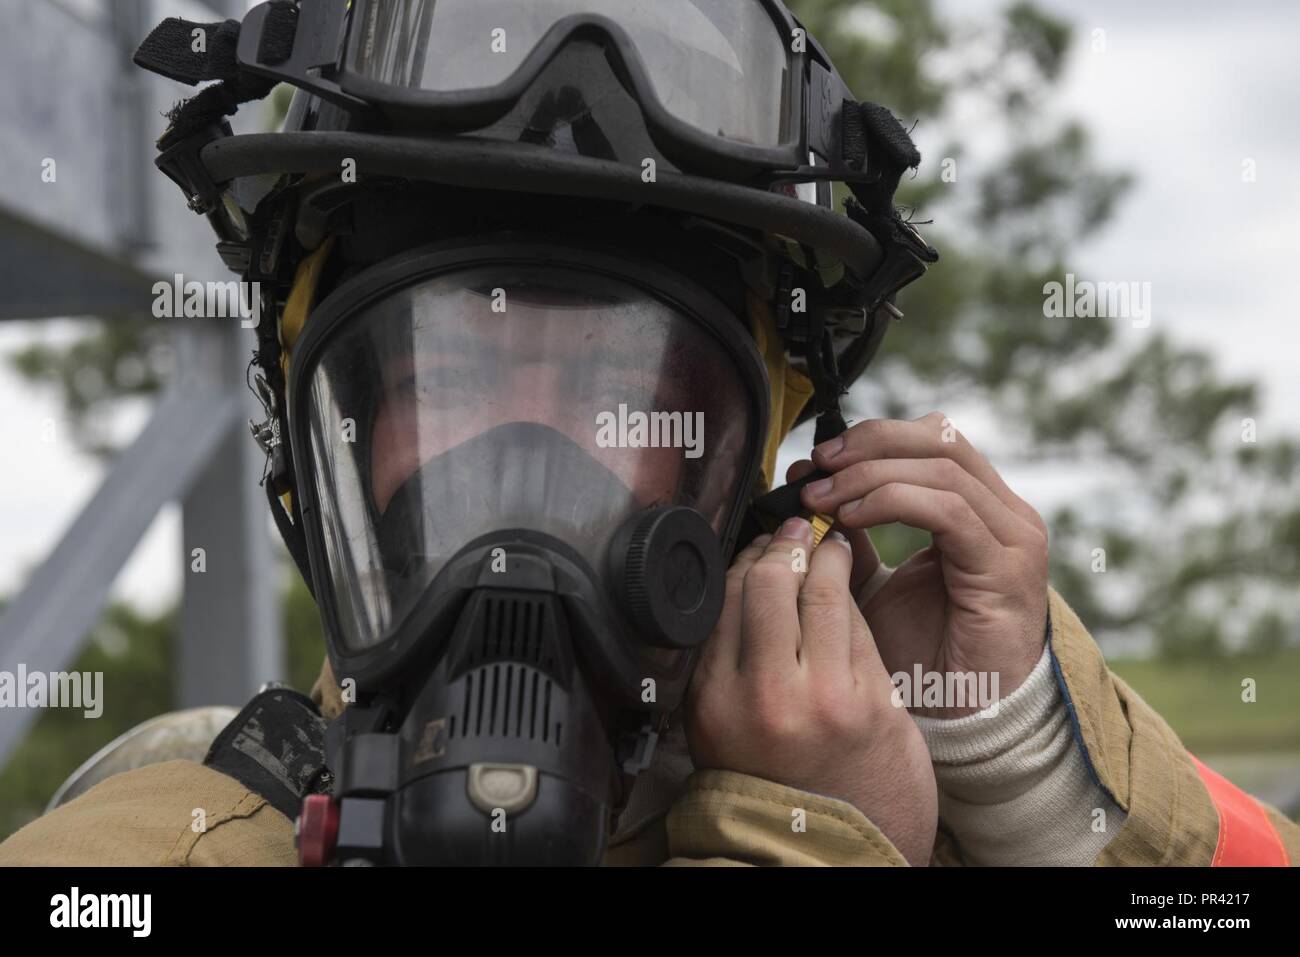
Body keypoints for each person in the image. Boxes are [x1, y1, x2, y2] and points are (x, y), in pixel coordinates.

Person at [1, 0, 1295, 867]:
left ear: (751, 471)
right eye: (452, 375)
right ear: (317, 446)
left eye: (614, 395)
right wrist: (818, 834)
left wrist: (1017, 765)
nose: (524, 468)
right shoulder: (155, 844)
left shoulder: (938, 774)